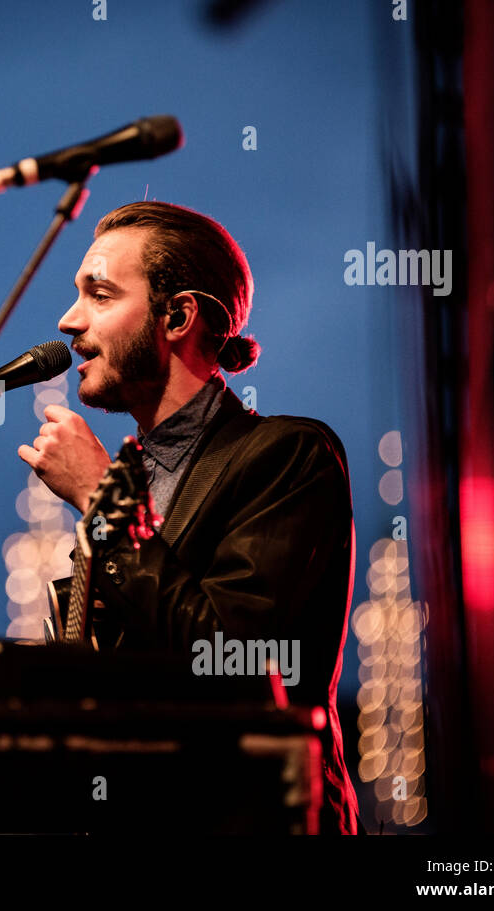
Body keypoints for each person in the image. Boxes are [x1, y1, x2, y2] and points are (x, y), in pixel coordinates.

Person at [18, 201, 360, 834]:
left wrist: (101, 503)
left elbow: (232, 658)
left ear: (177, 315)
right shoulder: (130, 478)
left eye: (99, 294)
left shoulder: (287, 455)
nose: (68, 322)